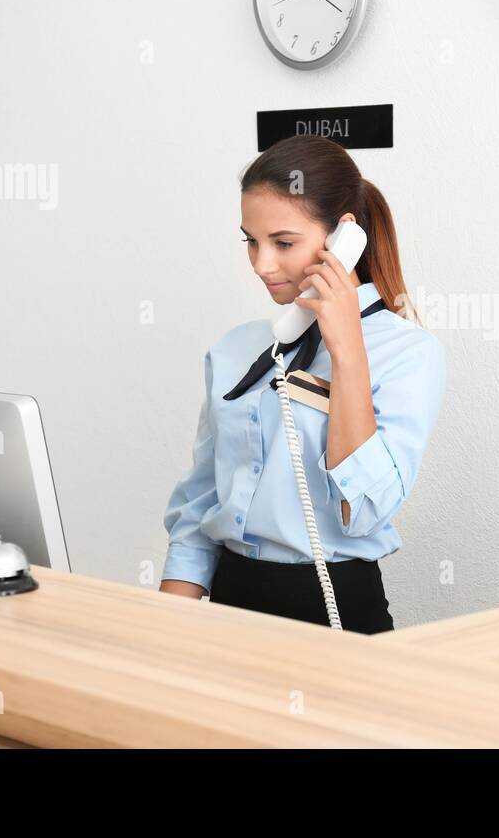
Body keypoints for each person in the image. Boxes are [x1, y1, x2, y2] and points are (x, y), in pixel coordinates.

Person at [157, 134, 445, 634]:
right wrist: (160, 630)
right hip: (229, 607)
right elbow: (201, 505)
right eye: (250, 240)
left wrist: (347, 352)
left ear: (342, 239)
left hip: (335, 608)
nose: (261, 264)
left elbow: (364, 513)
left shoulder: (408, 354)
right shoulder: (236, 349)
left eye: (283, 243)